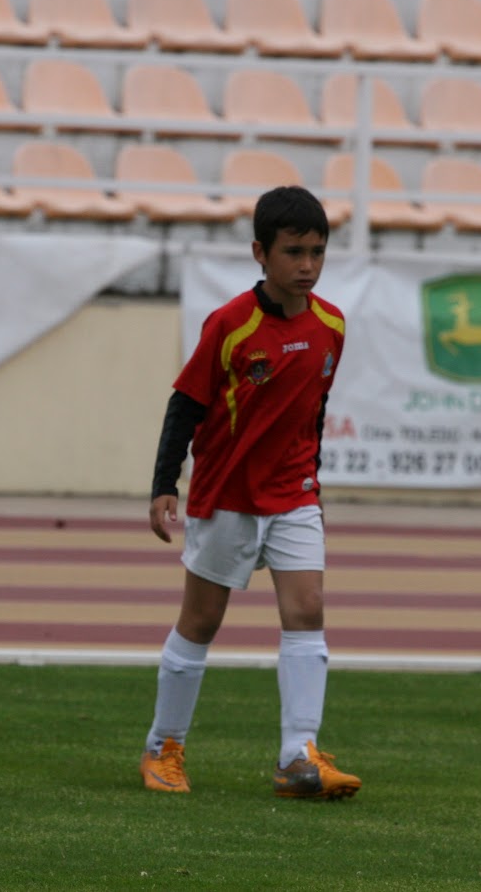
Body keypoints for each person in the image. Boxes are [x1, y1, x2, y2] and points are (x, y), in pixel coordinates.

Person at [140, 186, 360, 800]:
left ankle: (298, 755)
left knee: (307, 608)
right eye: (294, 252)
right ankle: (163, 747)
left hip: (294, 494)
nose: (308, 265)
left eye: (317, 252)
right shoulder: (230, 325)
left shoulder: (332, 326)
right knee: (202, 621)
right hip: (227, 497)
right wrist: (165, 484)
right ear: (260, 253)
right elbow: (185, 406)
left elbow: (310, 415)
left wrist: (311, 487)